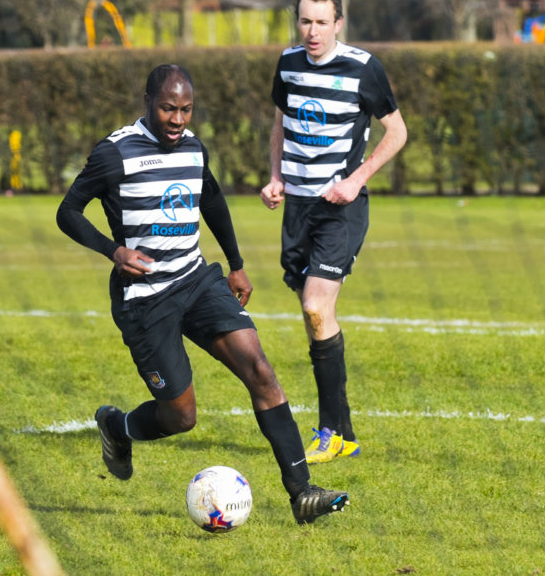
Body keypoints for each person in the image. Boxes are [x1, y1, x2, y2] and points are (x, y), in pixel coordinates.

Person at [58, 63, 348, 525]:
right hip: (145, 298)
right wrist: (113, 250)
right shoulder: (115, 153)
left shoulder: (194, 148)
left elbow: (210, 199)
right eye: (168, 108)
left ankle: (302, 494)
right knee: (181, 417)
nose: (178, 119)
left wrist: (235, 264)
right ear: (148, 102)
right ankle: (119, 426)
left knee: (261, 371)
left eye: (186, 109)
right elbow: (68, 211)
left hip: (196, 280)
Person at [260, 0, 406, 465]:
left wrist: (356, 178)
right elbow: (280, 123)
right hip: (297, 210)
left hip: (340, 209)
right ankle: (343, 433)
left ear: (338, 23)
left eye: (322, 22)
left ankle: (328, 432)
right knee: (315, 318)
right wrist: (276, 177)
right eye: (305, 21)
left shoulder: (364, 68)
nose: (313, 31)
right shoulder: (287, 63)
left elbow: (397, 132)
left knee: (316, 305)